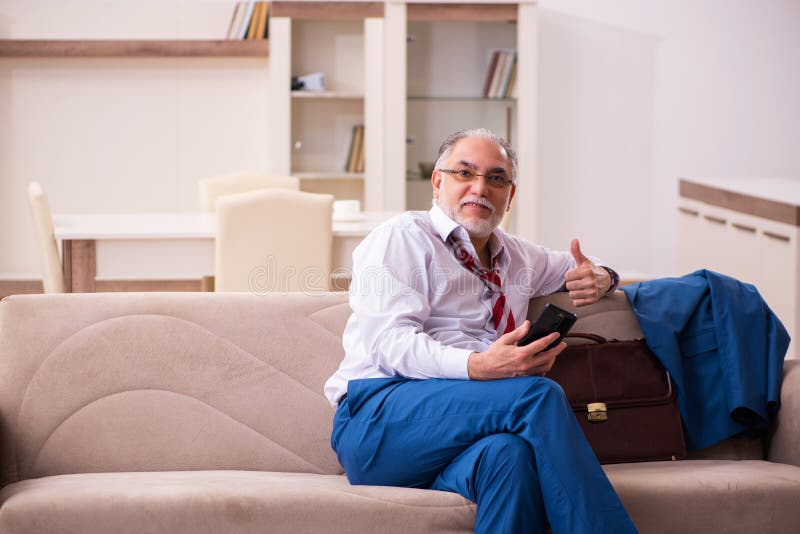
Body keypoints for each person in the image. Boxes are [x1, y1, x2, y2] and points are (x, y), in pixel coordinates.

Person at [324, 128, 636, 533]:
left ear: (511, 194)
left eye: (495, 178)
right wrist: (478, 366)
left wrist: (601, 276)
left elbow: (583, 265)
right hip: (378, 420)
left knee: (508, 457)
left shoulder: (520, 257)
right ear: (438, 182)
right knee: (535, 397)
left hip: (458, 434)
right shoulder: (402, 238)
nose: (480, 188)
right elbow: (388, 343)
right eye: (465, 174)